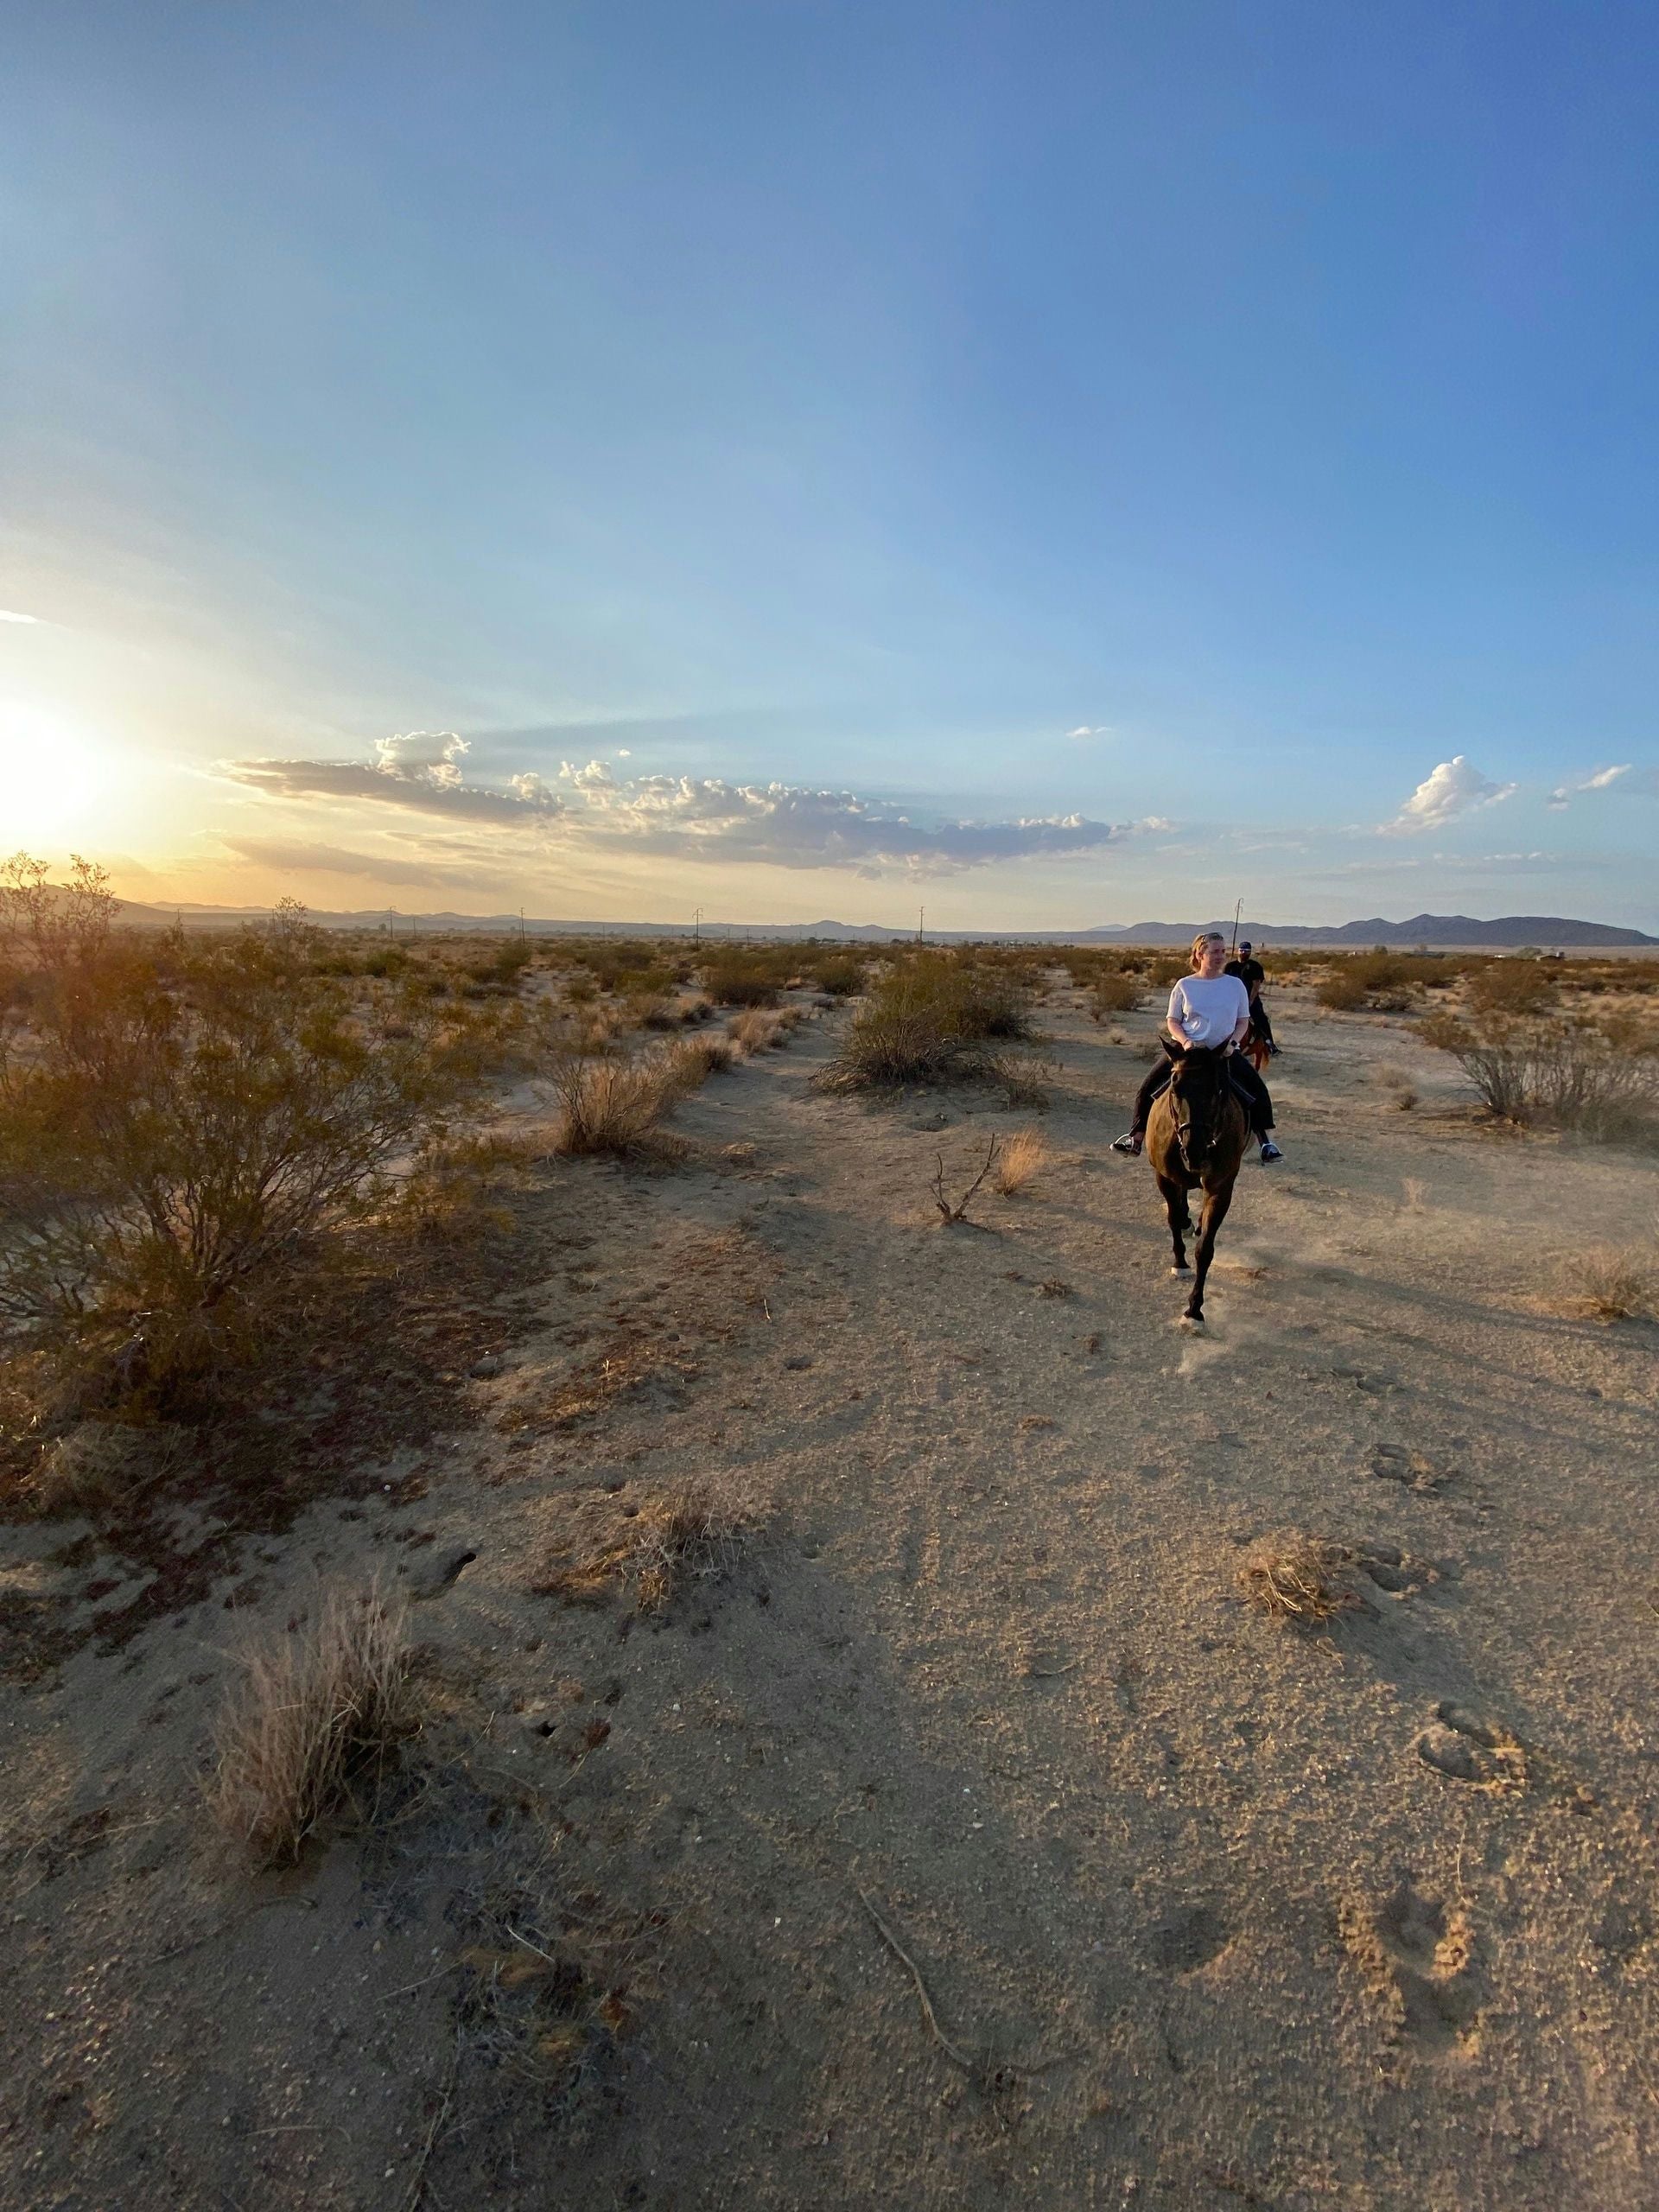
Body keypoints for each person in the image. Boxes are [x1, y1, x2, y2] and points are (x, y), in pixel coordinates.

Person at [1112, 931, 1282, 1161]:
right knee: (1147, 1087)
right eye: (1215, 952)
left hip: (1223, 1052)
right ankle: (1136, 1138)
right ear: (1200, 954)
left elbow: (1242, 1021)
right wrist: (1186, 1041)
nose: (1221, 956)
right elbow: (1172, 1021)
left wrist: (1232, 1043)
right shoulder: (1184, 985)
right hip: (1186, 1052)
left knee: (1257, 1090)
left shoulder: (1235, 986)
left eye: (1223, 951)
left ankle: (1266, 1144)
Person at [1224, 939, 1277, 1055]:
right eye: (1242, 950)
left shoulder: (1254, 966)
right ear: (1238, 951)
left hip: (1250, 999)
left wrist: (1250, 1001)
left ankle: (1270, 1044)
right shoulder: (1230, 967)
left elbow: (1256, 985)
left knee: (1261, 1019)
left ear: (1250, 952)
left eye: (1247, 951)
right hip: (1232, 1000)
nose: (1244, 953)